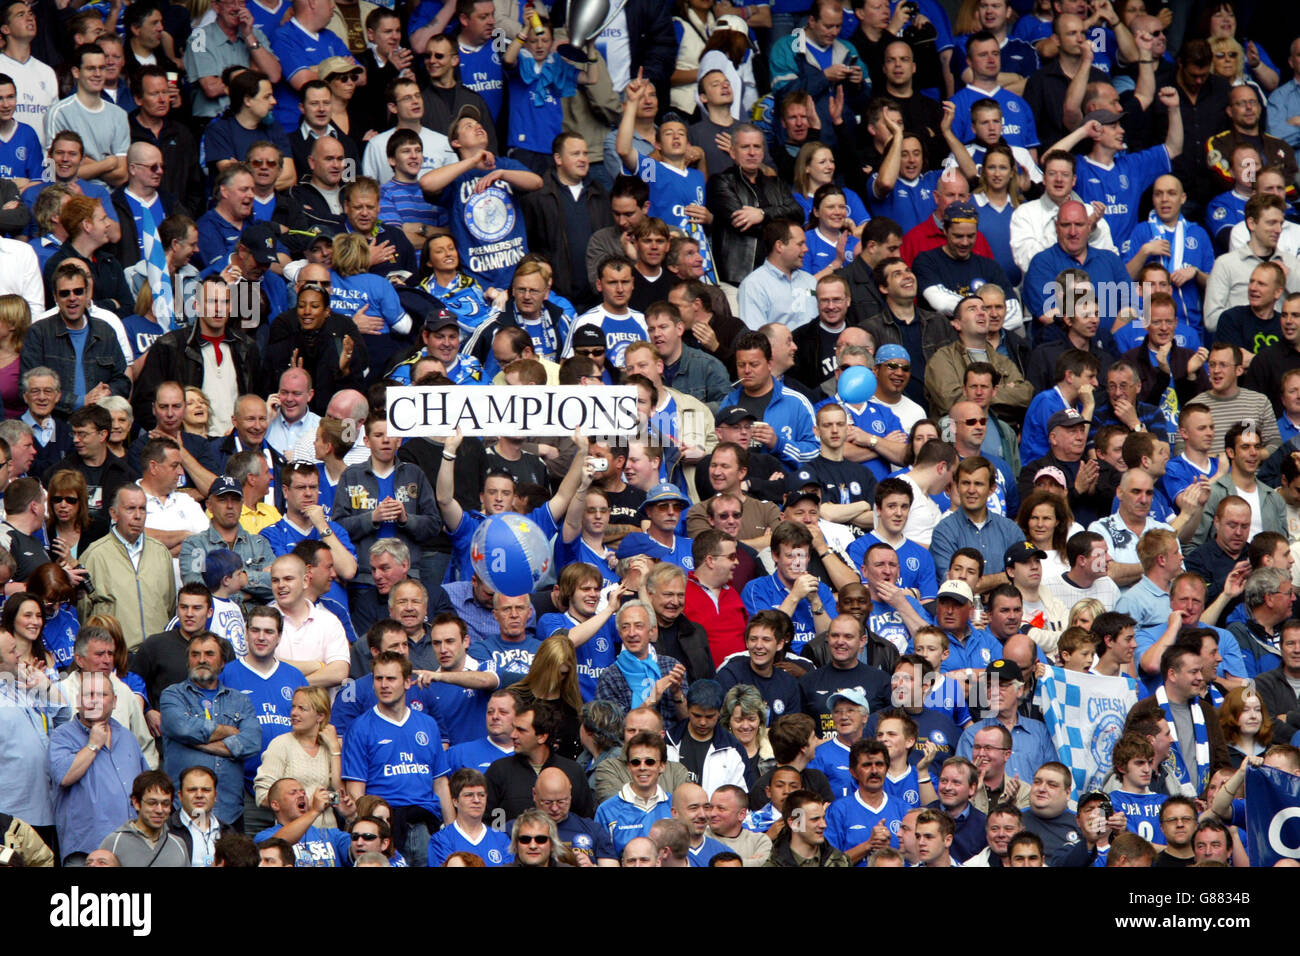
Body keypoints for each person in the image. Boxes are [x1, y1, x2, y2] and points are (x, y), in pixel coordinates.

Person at [159, 631, 262, 827]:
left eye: (209, 654)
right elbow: (181, 728)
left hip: (228, 811)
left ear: (223, 662)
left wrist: (195, 743)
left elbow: (252, 742)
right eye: (195, 654)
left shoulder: (240, 700)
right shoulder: (173, 695)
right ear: (188, 661)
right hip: (183, 813)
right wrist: (230, 731)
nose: (201, 660)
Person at [47, 672, 150, 865]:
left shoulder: (127, 736)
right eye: (89, 694)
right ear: (78, 701)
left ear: (114, 701)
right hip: (86, 849)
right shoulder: (63, 735)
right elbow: (65, 776)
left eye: (102, 695)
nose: (95, 701)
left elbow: (145, 786)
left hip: (130, 846)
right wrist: (93, 745)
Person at [80, 485, 176, 651]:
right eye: (130, 509)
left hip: (158, 656)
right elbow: (83, 612)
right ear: (113, 514)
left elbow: (170, 605)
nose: (138, 516)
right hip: (115, 657)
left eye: (142, 509)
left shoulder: (161, 553)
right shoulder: (94, 556)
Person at [594, 729, 675, 856]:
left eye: (650, 762)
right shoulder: (606, 810)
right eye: (636, 762)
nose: (642, 767)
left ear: (662, 766)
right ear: (628, 767)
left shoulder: (674, 805)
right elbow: (604, 858)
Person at [97, 770, 190, 867]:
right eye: (152, 803)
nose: (159, 810)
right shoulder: (113, 843)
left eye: (165, 804)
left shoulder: (178, 845)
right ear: (136, 802)